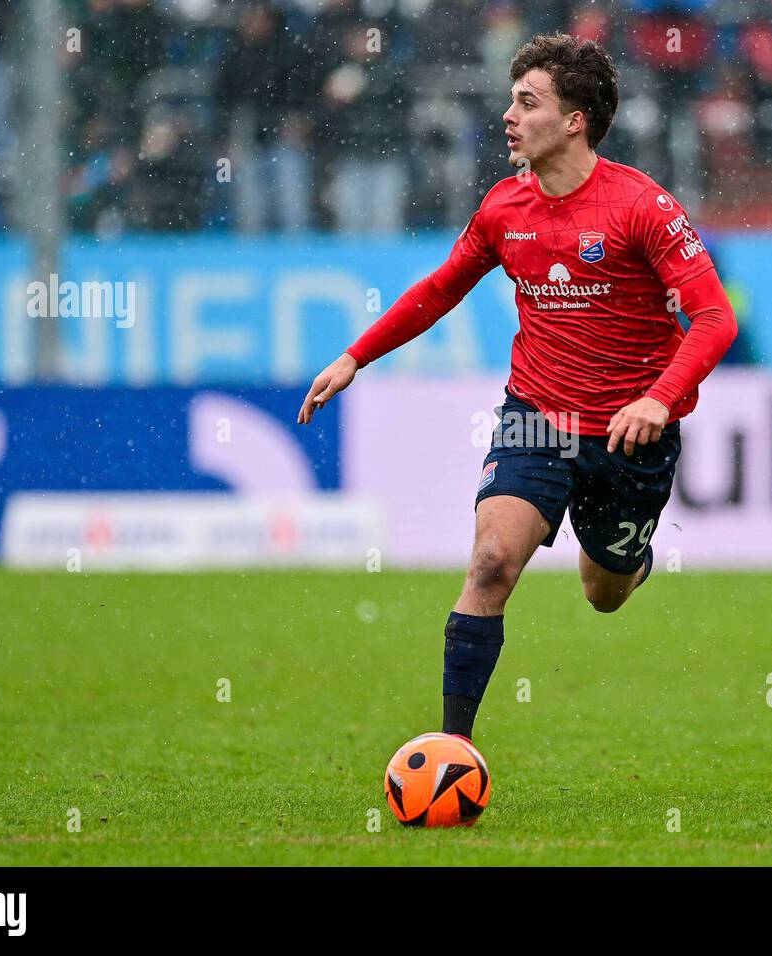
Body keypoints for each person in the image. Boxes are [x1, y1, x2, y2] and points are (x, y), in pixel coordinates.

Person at [297, 33, 737, 741]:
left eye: (526, 102)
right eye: (510, 99)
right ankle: (452, 751)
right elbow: (441, 289)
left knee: (604, 593)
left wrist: (658, 397)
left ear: (574, 121)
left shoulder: (643, 208)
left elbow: (715, 318)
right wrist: (357, 355)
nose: (508, 114)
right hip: (536, 416)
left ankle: (630, 559)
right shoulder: (505, 208)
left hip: (631, 434)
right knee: (492, 562)